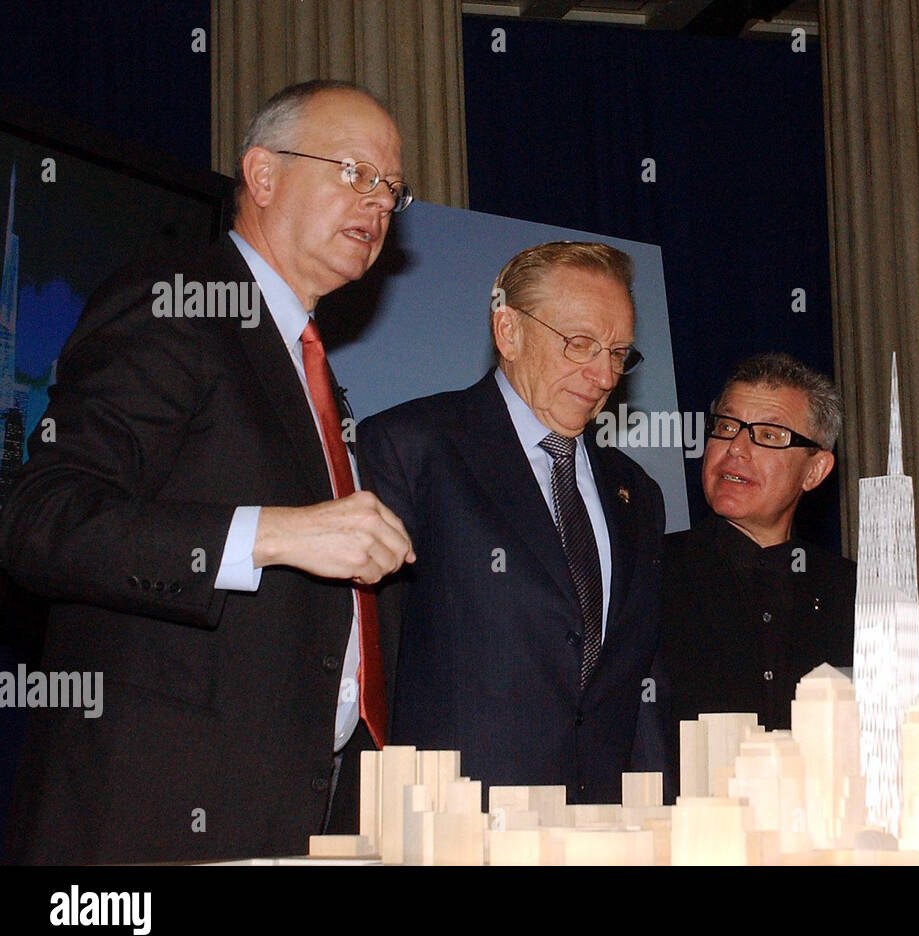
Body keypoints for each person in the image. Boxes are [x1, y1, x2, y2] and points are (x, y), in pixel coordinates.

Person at [0, 80, 415, 864]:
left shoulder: (309, 367)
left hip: (290, 810)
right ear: (262, 175)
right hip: (151, 821)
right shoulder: (175, 303)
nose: (379, 204)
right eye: (354, 172)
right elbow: (40, 519)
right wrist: (273, 533)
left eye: (392, 188)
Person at [359, 241, 668, 805]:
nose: (602, 375)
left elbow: (640, 681)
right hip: (456, 823)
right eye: (580, 344)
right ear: (509, 331)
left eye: (618, 353)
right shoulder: (414, 448)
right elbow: (372, 666)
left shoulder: (638, 495)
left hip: (602, 830)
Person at [661, 353, 856, 745]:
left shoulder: (854, 594)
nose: (736, 447)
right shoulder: (650, 571)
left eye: (768, 435)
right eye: (727, 425)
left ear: (815, 470)